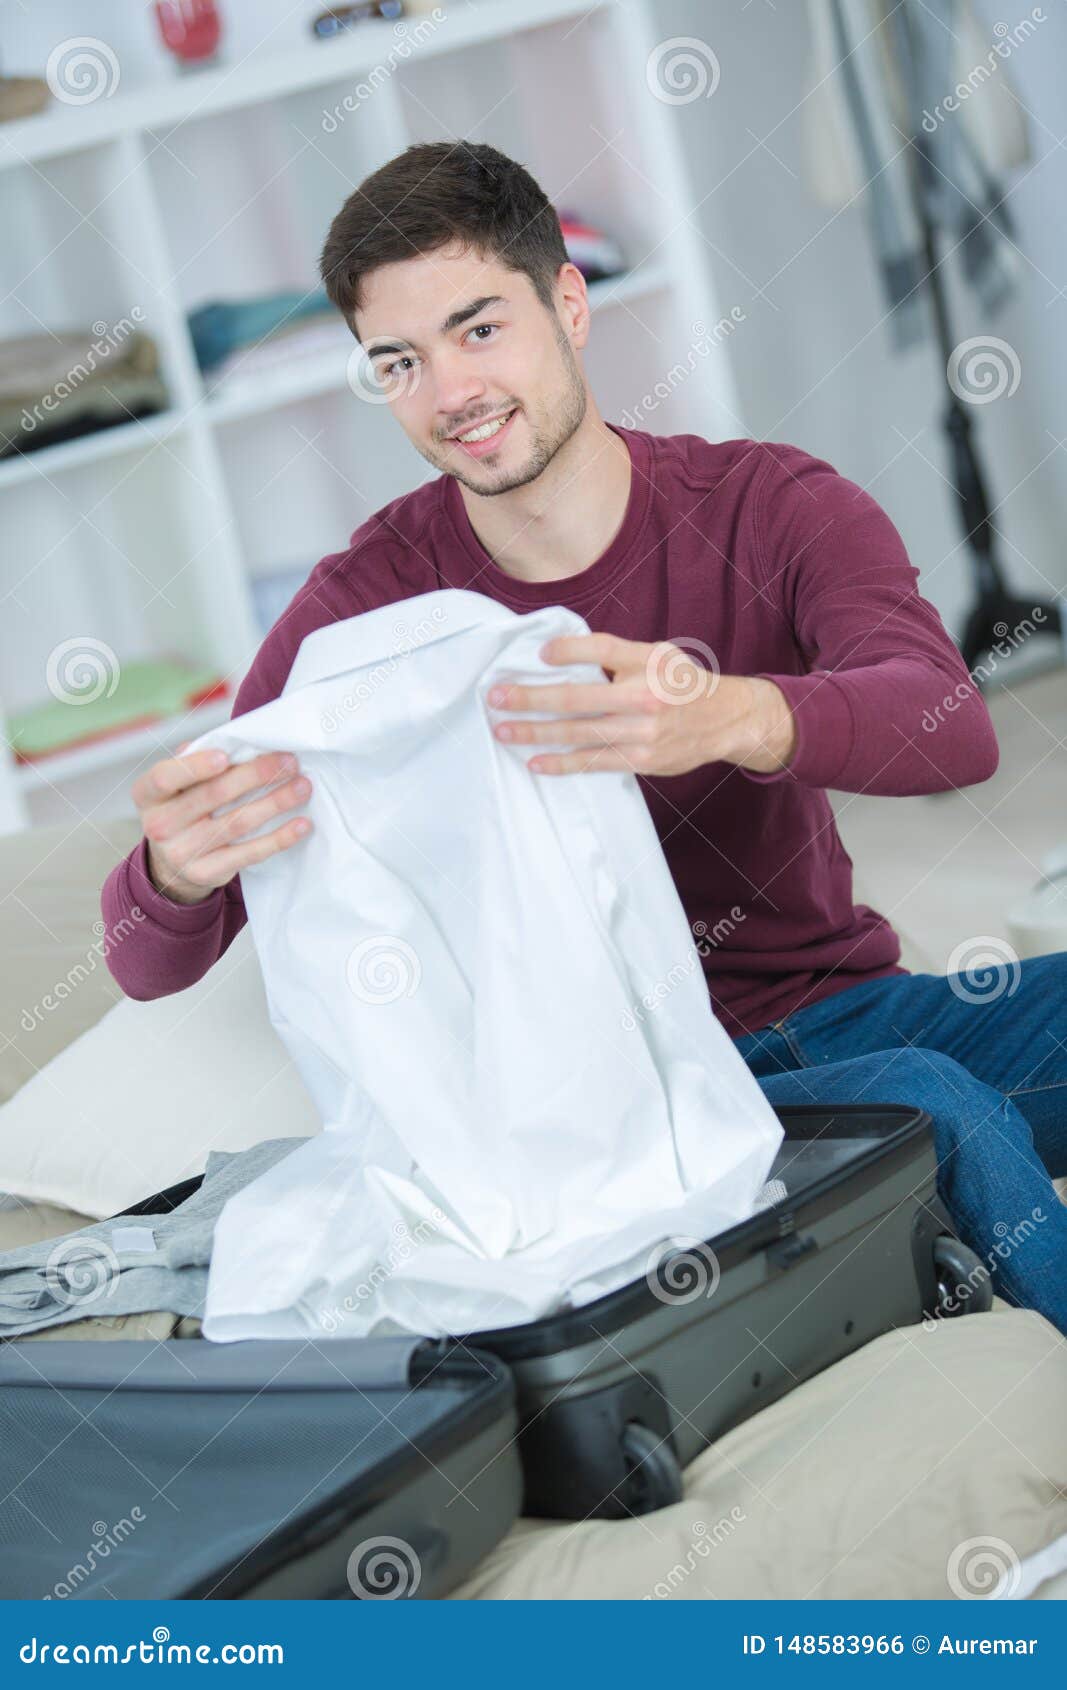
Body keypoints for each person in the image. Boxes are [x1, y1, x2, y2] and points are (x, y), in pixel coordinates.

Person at [101, 142, 1066, 1333]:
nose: (449, 391)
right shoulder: (361, 611)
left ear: (568, 303)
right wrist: (174, 870)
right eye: (398, 361)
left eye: (478, 329)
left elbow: (950, 729)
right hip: (605, 1097)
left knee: (937, 1063)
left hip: (839, 1008)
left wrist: (729, 713)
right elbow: (148, 959)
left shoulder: (769, 504)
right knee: (934, 1102)